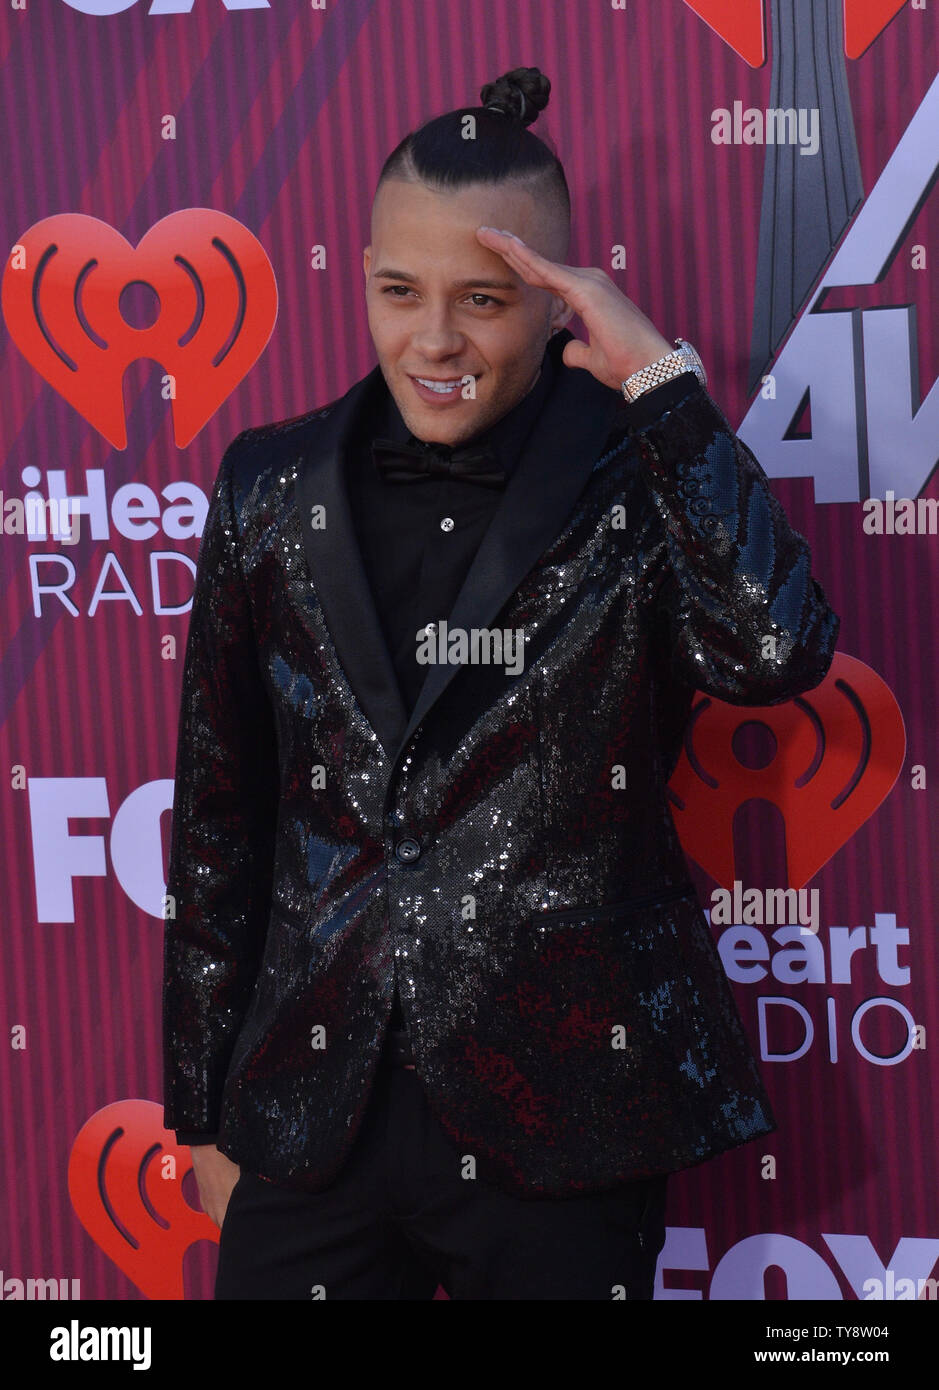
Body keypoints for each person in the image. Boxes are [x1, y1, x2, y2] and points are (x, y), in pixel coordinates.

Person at [162, 66, 840, 1300]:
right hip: (315, 1111)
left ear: (556, 298)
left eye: (482, 299)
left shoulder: (638, 476)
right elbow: (220, 811)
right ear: (358, 273)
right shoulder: (266, 487)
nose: (434, 340)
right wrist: (201, 1106)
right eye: (398, 292)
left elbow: (775, 651)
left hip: (566, 1110)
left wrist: (661, 385)